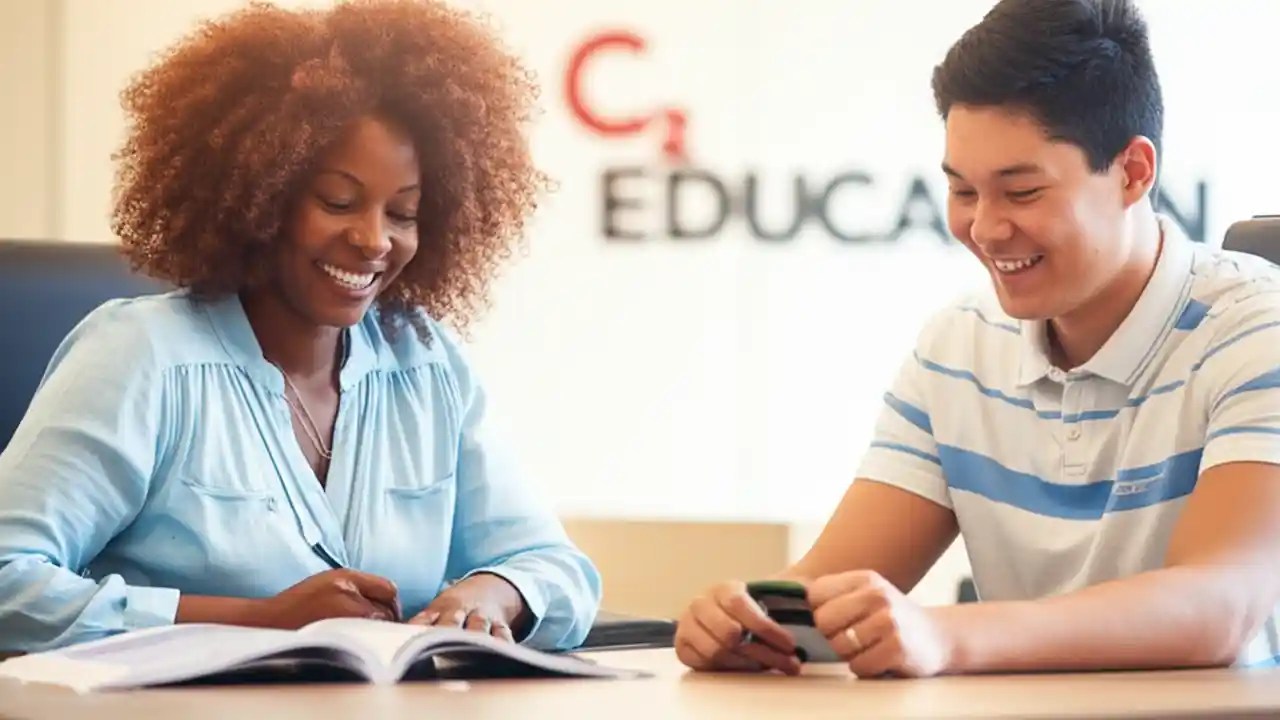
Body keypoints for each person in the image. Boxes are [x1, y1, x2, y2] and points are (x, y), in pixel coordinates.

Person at [675, 0, 1280, 678]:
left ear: (1134, 172)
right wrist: (750, 621)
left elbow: (1219, 607)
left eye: (1021, 193)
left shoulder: (1258, 329)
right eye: (963, 191)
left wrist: (949, 636)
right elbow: (828, 587)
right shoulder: (958, 347)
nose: (986, 229)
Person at [0, 0, 601, 653]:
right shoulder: (142, 356)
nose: (374, 240)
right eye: (338, 201)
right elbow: (9, 581)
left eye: (403, 213)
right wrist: (258, 620)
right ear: (260, 193)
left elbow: (558, 569)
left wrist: (491, 593)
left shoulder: (424, 361)